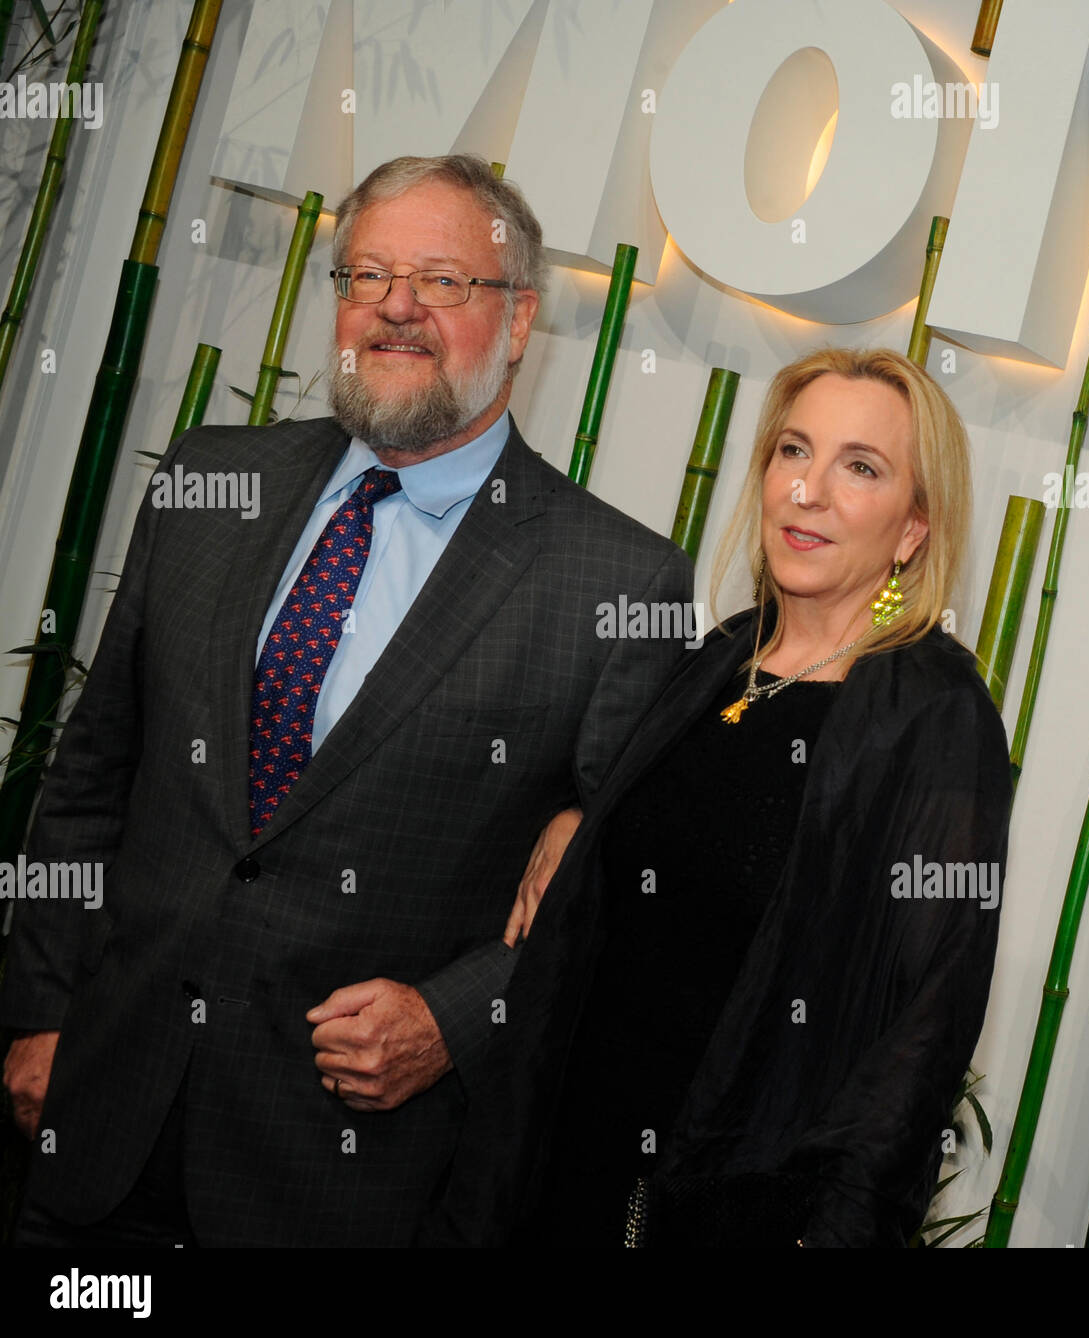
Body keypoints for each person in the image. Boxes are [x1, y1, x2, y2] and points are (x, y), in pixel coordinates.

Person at [0, 154, 694, 1247]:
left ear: (518, 321)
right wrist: (38, 1013)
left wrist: (450, 1021)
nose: (397, 306)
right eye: (366, 274)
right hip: (96, 1123)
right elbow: (93, 773)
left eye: (442, 281)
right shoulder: (205, 483)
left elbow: (619, 904)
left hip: (332, 1181)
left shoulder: (616, 584)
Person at [437, 347, 1013, 1248]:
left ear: (912, 529)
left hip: (730, 1208)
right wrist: (577, 818)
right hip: (566, 1161)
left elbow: (924, 1021)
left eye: (859, 467)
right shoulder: (719, 658)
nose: (807, 490)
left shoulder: (934, 714)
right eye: (793, 451)